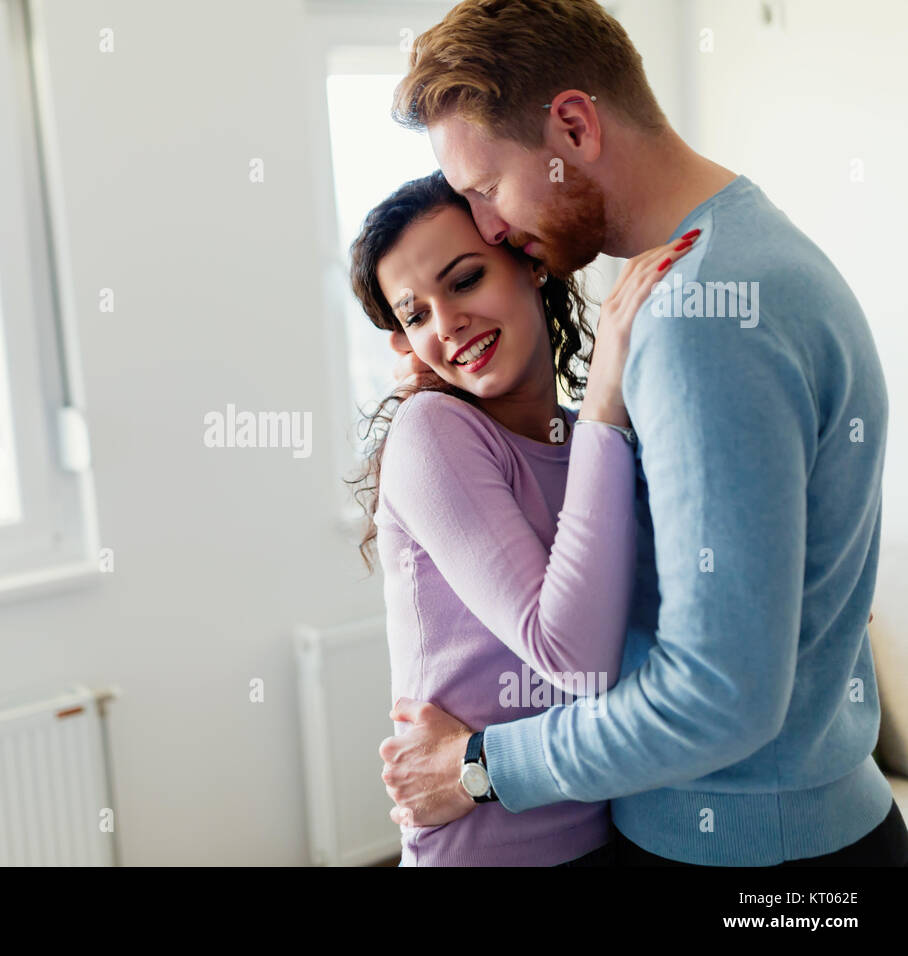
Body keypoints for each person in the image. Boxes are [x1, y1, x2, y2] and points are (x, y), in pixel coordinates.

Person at [378, 0, 908, 866]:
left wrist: (480, 767)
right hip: (800, 825)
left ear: (576, 126)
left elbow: (719, 699)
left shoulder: (701, 315)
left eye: (486, 189)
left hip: (745, 856)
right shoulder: (741, 254)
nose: (489, 226)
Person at [349, 170, 695, 864]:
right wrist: (604, 396)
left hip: (613, 830)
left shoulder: (590, 442)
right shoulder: (434, 431)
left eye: (465, 280)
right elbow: (577, 658)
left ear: (530, 264)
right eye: (416, 315)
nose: (446, 325)